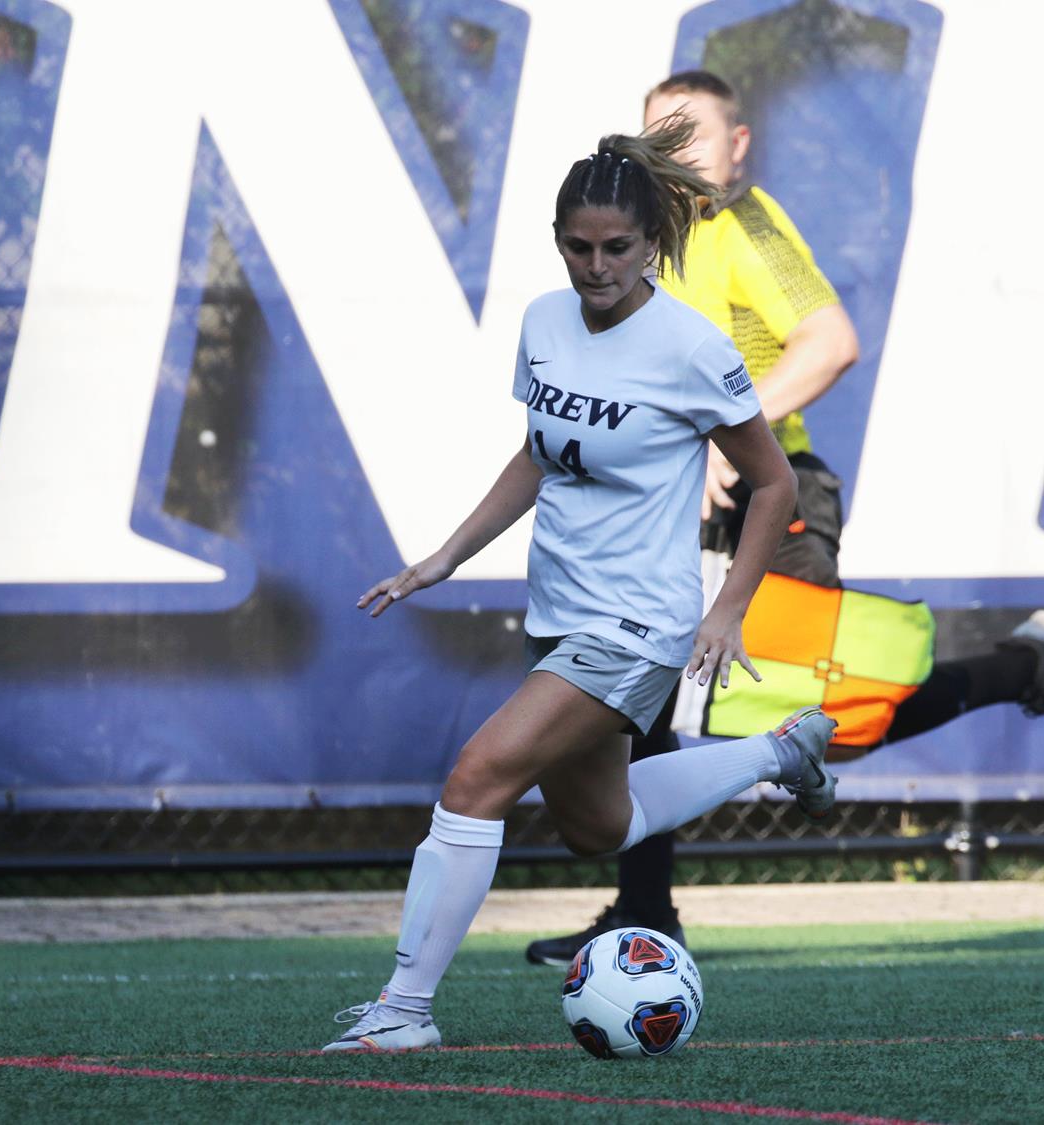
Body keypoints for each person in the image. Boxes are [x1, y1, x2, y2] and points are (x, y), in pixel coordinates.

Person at [523, 71, 1044, 966]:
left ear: (739, 146)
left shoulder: (744, 226)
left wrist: (729, 443)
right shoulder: (646, 242)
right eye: (657, 136)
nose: (673, 154)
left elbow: (830, 341)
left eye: (692, 136)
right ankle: (643, 916)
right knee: (637, 700)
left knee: (817, 707)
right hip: (678, 496)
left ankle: (1021, 667)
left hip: (772, 492)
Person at [323, 116, 842, 1052]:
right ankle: (780, 755)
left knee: (477, 779)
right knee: (599, 825)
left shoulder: (691, 348)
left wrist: (727, 609)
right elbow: (540, 454)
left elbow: (775, 482)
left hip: (640, 623)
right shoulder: (543, 322)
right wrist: (447, 553)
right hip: (558, 609)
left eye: (617, 248)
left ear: (653, 244)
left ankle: (403, 1011)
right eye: (578, 247)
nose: (596, 267)